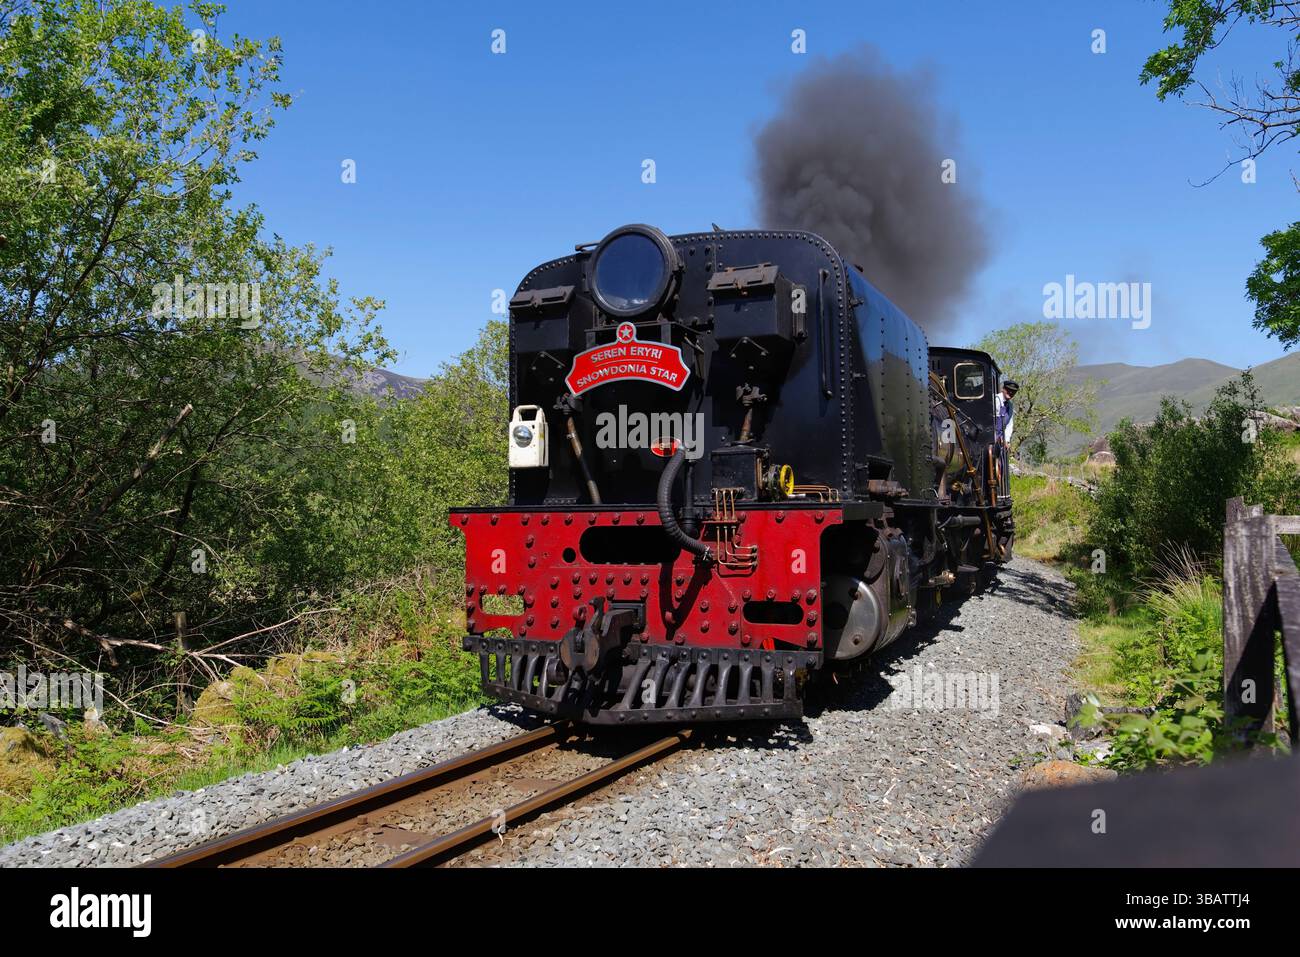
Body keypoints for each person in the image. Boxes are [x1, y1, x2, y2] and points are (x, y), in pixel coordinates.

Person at [994, 380, 1018, 448]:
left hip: (1000, 443)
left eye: (1013, 391)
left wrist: (1007, 440)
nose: (1010, 392)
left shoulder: (1010, 405)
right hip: (990, 440)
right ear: (1003, 389)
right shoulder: (995, 400)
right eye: (1008, 389)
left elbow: (1009, 425)